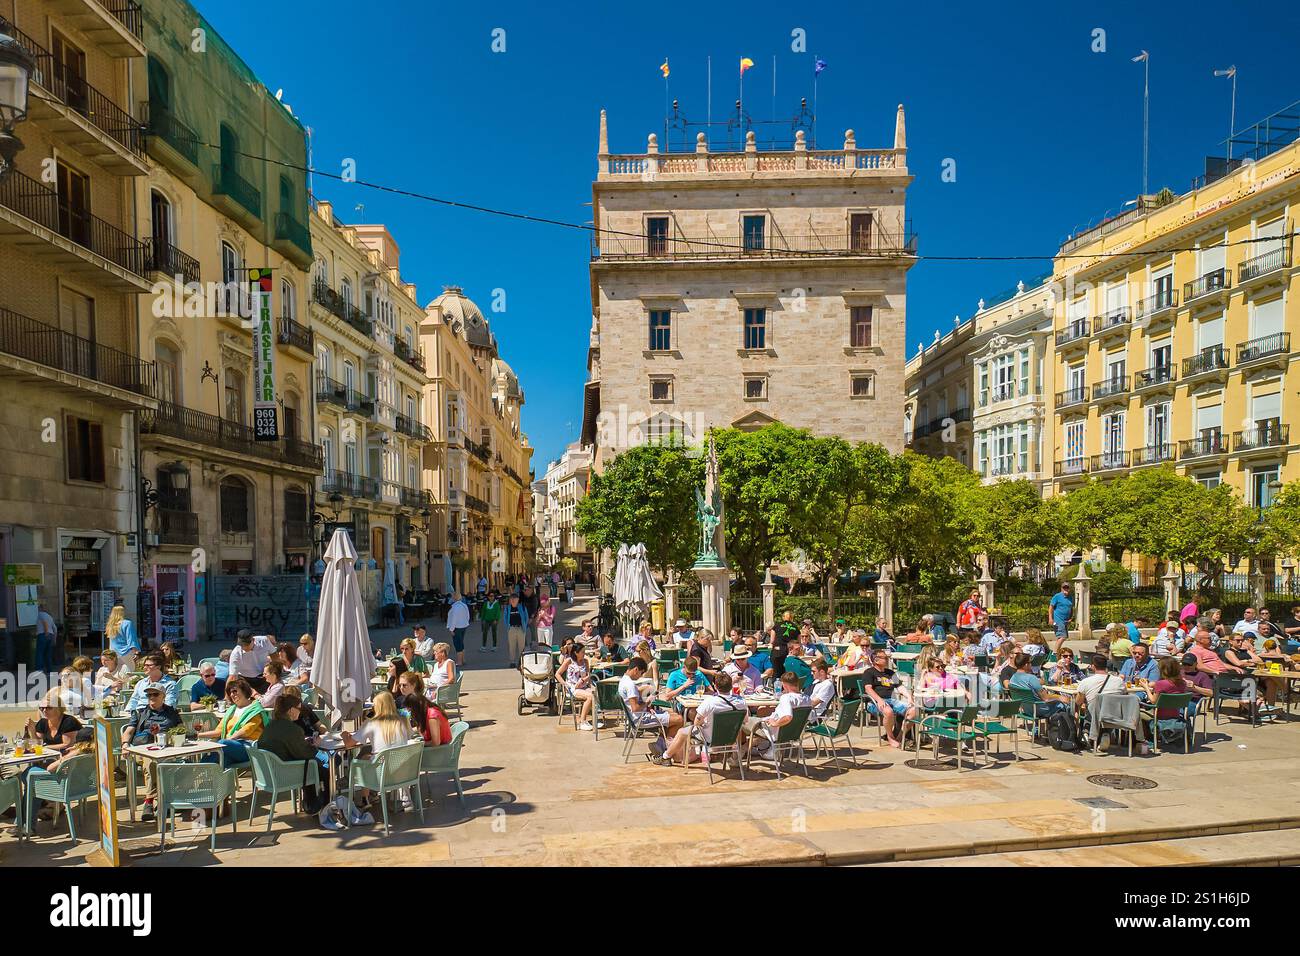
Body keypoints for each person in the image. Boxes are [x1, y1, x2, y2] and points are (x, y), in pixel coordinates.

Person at [654, 670, 747, 767]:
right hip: (731, 736)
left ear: (715, 686)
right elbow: (745, 720)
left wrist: (704, 723)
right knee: (738, 728)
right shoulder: (741, 701)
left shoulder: (710, 702)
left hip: (711, 737)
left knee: (682, 732)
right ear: (731, 686)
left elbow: (697, 722)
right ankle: (735, 759)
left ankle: (665, 757)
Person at [258, 695, 330, 812]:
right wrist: (314, 745)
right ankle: (326, 803)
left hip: (270, 773)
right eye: (299, 709)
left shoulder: (270, 725)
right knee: (324, 769)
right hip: (285, 774)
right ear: (291, 710)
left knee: (313, 765)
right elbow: (306, 754)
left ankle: (311, 801)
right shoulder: (292, 728)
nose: (301, 712)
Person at [121, 686, 181, 822]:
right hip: (143, 749)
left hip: (167, 749)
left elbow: (180, 729)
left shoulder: (172, 712)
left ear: (163, 696)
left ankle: (155, 801)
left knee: (161, 762)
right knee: (151, 762)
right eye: (149, 695)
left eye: (155, 694)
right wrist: (125, 745)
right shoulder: (140, 712)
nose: (152, 698)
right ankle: (152, 801)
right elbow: (129, 731)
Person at [195, 677, 267, 766]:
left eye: (235, 691)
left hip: (249, 748)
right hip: (230, 748)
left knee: (221, 744)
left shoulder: (255, 709)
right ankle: (200, 773)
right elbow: (219, 731)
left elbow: (245, 731)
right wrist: (197, 735)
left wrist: (228, 739)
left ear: (244, 691)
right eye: (230, 692)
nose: (232, 694)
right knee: (221, 762)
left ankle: (196, 770)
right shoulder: (231, 710)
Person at [619, 658, 682, 751]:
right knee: (679, 720)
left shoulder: (623, 681)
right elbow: (635, 708)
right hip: (640, 719)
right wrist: (647, 702)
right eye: (641, 673)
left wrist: (642, 691)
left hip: (638, 716)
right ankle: (665, 750)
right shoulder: (630, 685)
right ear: (636, 670)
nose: (640, 677)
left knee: (674, 714)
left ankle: (660, 745)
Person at [747, 671, 811, 759]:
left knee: (743, 720)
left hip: (774, 730)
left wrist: (774, 723)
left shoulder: (786, 698)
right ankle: (764, 746)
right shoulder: (807, 699)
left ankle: (738, 755)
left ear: (784, 684)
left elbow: (788, 717)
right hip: (793, 733)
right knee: (762, 713)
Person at [862, 649, 914, 748]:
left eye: (887, 657)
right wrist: (879, 700)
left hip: (890, 700)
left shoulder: (890, 673)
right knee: (888, 711)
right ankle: (890, 738)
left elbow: (900, 687)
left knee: (914, 711)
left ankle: (899, 737)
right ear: (876, 660)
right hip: (874, 702)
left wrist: (909, 696)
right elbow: (868, 689)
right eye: (884, 658)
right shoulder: (869, 672)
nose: (887, 659)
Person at [1008, 653, 1068, 720]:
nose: (1031, 665)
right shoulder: (1031, 678)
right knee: (1065, 704)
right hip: (1039, 709)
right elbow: (1046, 698)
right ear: (1026, 665)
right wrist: (1059, 698)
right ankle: (1067, 729)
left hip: (1025, 709)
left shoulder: (1012, 678)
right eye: (1030, 663)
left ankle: (1042, 728)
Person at [556, 642, 596, 730]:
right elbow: (557, 674)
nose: (584, 653)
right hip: (572, 688)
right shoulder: (569, 661)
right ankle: (582, 721)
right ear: (576, 653)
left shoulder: (585, 661)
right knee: (590, 697)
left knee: (596, 694)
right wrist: (564, 684)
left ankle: (594, 719)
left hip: (583, 686)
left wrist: (587, 682)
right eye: (582, 652)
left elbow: (588, 675)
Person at [105, 603, 139, 672]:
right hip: (126, 652)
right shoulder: (127, 623)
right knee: (130, 672)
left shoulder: (110, 625)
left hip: (114, 653)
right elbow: (131, 639)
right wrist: (136, 652)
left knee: (117, 672)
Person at [808, 659, 837, 725]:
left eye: (813, 671)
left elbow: (814, 703)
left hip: (814, 717)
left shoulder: (827, 685)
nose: (811, 673)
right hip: (809, 712)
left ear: (822, 672)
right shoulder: (817, 682)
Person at [446, 592, 471, 665]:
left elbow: (454, 619)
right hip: (463, 626)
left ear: (454, 598)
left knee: (457, 644)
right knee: (461, 643)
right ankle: (463, 659)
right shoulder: (464, 605)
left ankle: (459, 661)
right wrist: (466, 623)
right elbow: (468, 616)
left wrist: (451, 629)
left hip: (456, 627)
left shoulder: (455, 607)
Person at [1049, 581, 1074, 653]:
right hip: (1058, 619)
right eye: (1064, 587)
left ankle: (1056, 652)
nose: (1066, 589)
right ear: (1061, 588)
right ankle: (1055, 653)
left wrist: (1070, 618)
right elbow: (1051, 607)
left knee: (1060, 637)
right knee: (1063, 637)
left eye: (1067, 587)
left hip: (1065, 620)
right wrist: (1050, 618)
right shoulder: (1057, 596)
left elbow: (1071, 608)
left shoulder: (1070, 597)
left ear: (1069, 589)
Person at [503, 592, 529, 660]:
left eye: (515, 599)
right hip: (511, 628)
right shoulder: (508, 608)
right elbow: (505, 618)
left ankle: (521, 662)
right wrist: (508, 627)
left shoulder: (522, 607)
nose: (513, 600)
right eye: (511, 599)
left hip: (521, 628)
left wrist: (524, 626)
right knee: (512, 646)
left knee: (521, 647)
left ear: (518, 599)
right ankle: (512, 661)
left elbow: (526, 617)